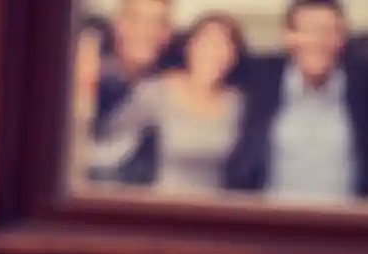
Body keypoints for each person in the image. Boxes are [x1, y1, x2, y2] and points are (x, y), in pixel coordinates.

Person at [226, 0, 368, 200]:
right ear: (288, 36)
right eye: (307, 30)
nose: (317, 41)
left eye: (327, 31)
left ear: (341, 38)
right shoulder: (261, 80)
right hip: (273, 214)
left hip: (345, 216)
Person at [85, 14, 247, 194]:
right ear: (190, 46)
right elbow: (111, 145)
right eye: (206, 43)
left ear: (234, 55)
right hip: (164, 202)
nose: (213, 53)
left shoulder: (236, 103)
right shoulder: (156, 91)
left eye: (224, 45)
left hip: (214, 206)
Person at [76, 0, 174, 186]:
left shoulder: (167, 81)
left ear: (168, 34)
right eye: (136, 19)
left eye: (158, 23)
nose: (147, 31)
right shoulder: (90, 69)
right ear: (118, 24)